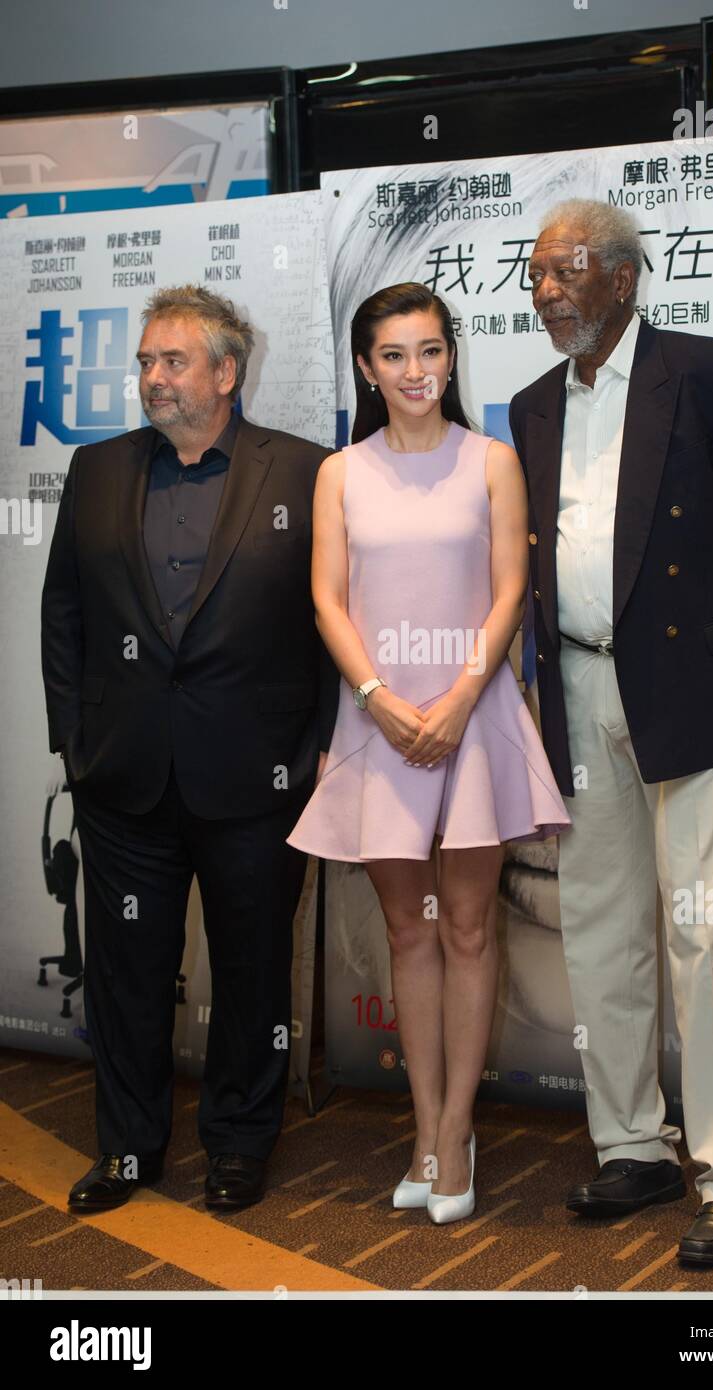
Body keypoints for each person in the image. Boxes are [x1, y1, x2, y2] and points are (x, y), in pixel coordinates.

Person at [509, 199, 713, 1266]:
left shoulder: (707, 369)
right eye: (535, 275)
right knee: (599, 927)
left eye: (566, 270)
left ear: (625, 278)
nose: (546, 290)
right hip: (579, 689)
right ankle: (634, 1143)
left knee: (711, 931)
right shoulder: (532, 403)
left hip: (693, 687)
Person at [41, 284, 339, 1213]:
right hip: (123, 780)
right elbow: (65, 615)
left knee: (252, 974)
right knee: (126, 977)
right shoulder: (95, 470)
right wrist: (74, 748)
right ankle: (128, 1152)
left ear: (226, 372)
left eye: (171, 362)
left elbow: (332, 618)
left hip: (258, 778)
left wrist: (320, 746)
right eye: (143, 363)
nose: (151, 379)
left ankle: (240, 1146)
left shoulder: (303, 473)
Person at [287, 282, 570, 1223]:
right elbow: (328, 599)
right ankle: (422, 1130)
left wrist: (454, 701)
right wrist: (378, 700)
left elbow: (510, 592)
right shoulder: (340, 474)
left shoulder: (490, 460)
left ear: (452, 356)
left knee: (468, 930)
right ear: (367, 369)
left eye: (432, 350)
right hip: (378, 724)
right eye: (396, 356)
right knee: (407, 931)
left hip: (472, 717)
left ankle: (456, 1138)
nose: (417, 371)